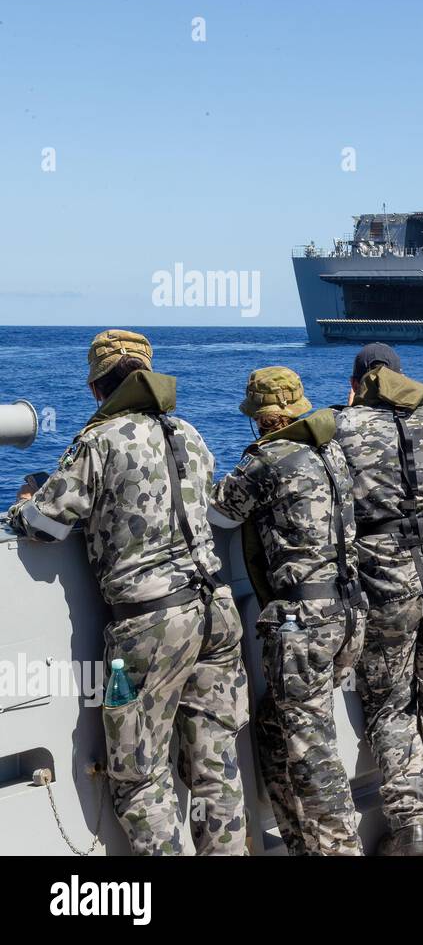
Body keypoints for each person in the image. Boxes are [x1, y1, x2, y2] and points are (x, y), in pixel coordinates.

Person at [7, 330, 248, 855]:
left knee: (139, 775)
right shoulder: (189, 432)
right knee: (215, 766)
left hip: (151, 623)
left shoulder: (100, 441)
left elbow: (45, 525)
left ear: (98, 388)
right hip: (216, 610)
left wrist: (23, 502)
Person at [210, 365, 365, 856]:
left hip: (303, 621)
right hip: (347, 611)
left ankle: (339, 850)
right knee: (277, 729)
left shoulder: (268, 459)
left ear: (261, 417)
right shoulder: (331, 451)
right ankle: (301, 842)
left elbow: (220, 512)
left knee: (311, 747)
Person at [332, 343, 423, 856]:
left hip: (387, 576)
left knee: (391, 702)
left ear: (358, 382)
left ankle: (410, 827)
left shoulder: (341, 427)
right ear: (399, 375)